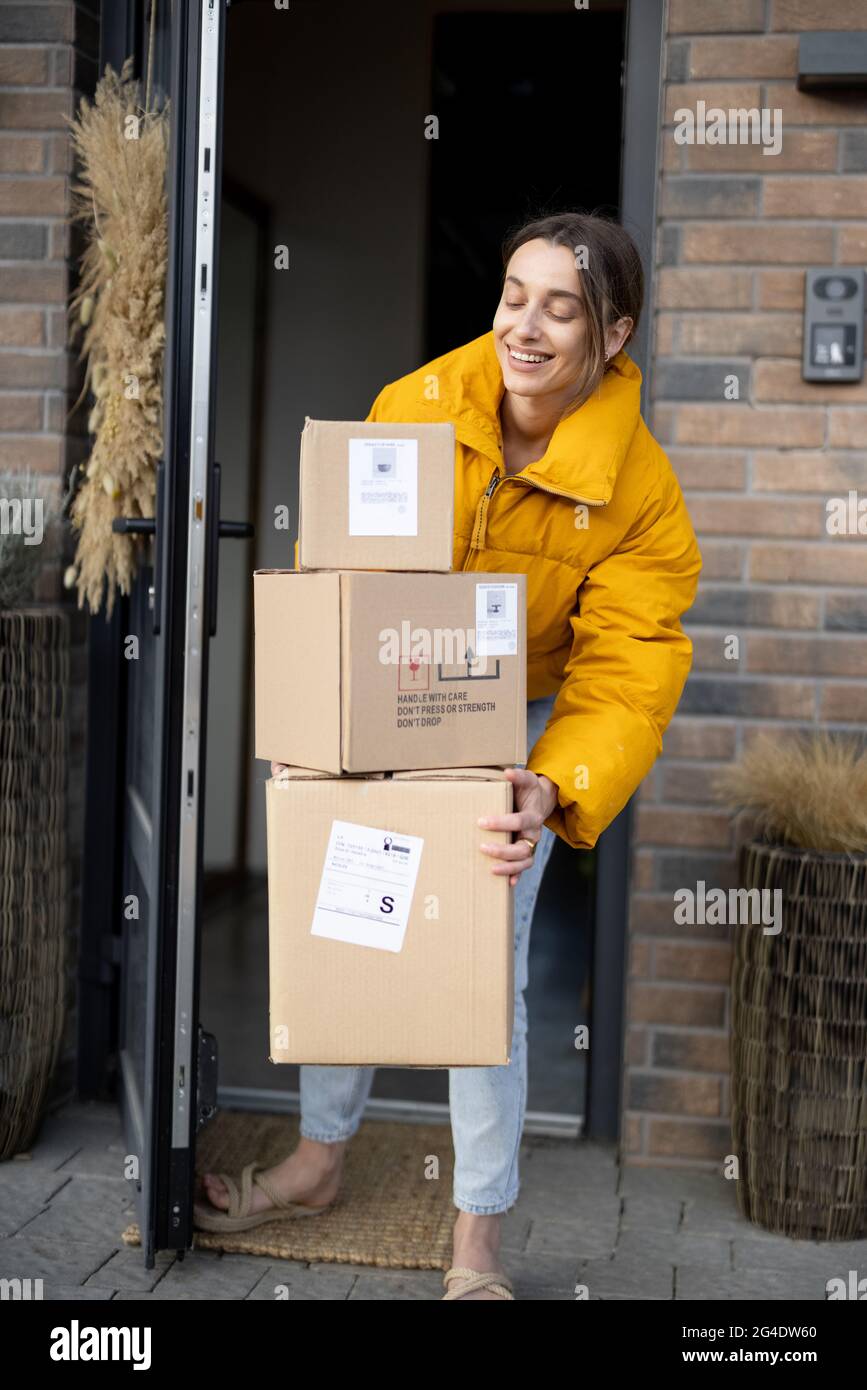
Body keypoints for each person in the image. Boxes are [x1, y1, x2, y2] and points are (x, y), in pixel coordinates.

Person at [198, 211, 703, 1299]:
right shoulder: (417, 406)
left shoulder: (640, 487)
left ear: (613, 335)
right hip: (389, 693)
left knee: (483, 973)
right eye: (514, 295)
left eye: (560, 308)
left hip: (513, 719)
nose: (526, 325)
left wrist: (552, 784)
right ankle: (321, 1161)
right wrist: (317, 727)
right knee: (354, 920)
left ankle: (475, 1246)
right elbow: (342, 569)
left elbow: (628, 666)